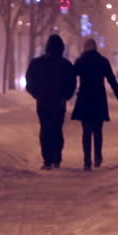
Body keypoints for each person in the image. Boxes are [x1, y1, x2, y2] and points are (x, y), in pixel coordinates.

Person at [72, 39, 118, 171]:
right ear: (95, 47)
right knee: (98, 130)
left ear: (86, 47)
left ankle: (87, 161)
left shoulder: (81, 61)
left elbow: (71, 76)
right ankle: (98, 157)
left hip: (85, 99)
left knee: (86, 131)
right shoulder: (103, 61)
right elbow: (112, 81)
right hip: (98, 100)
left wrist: (65, 94)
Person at [26, 34, 76, 170]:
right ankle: (56, 157)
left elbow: (29, 81)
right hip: (59, 102)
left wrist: (36, 94)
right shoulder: (66, 65)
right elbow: (72, 84)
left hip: (43, 101)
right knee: (57, 128)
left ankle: (47, 159)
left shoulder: (37, 63)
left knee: (45, 128)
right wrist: (65, 96)